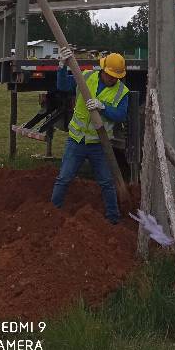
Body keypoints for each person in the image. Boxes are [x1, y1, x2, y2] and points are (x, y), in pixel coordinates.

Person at [51, 47, 129, 224]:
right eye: (110, 75)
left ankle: (113, 219)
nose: (113, 79)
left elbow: (121, 115)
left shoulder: (122, 92)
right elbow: (62, 86)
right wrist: (62, 66)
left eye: (116, 77)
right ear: (103, 69)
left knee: (106, 182)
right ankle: (52, 213)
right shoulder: (85, 77)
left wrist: (103, 107)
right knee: (64, 178)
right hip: (76, 140)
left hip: (99, 144)